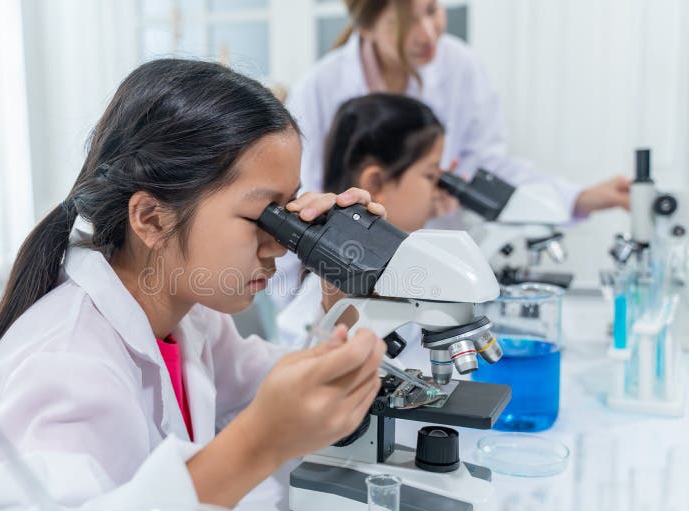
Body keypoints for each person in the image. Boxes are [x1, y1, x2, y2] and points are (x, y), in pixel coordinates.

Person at [0, 59, 389, 511]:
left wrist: (344, 293)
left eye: (287, 210)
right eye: (261, 217)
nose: (282, 243)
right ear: (151, 219)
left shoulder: (190, 320)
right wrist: (257, 445)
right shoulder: (65, 367)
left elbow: (296, 396)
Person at [270, 0, 630, 309]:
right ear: (367, 25)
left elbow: (489, 167)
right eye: (409, 23)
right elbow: (305, 208)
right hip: (351, 275)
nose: (429, 33)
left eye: (432, 9)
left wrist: (578, 199)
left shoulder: (460, 66)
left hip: (438, 265)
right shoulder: (320, 88)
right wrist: (295, 312)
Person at [277, 93, 456, 378]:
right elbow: (305, 367)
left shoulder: (405, 263)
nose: (438, 191)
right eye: (430, 176)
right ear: (375, 182)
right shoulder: (327, 289)